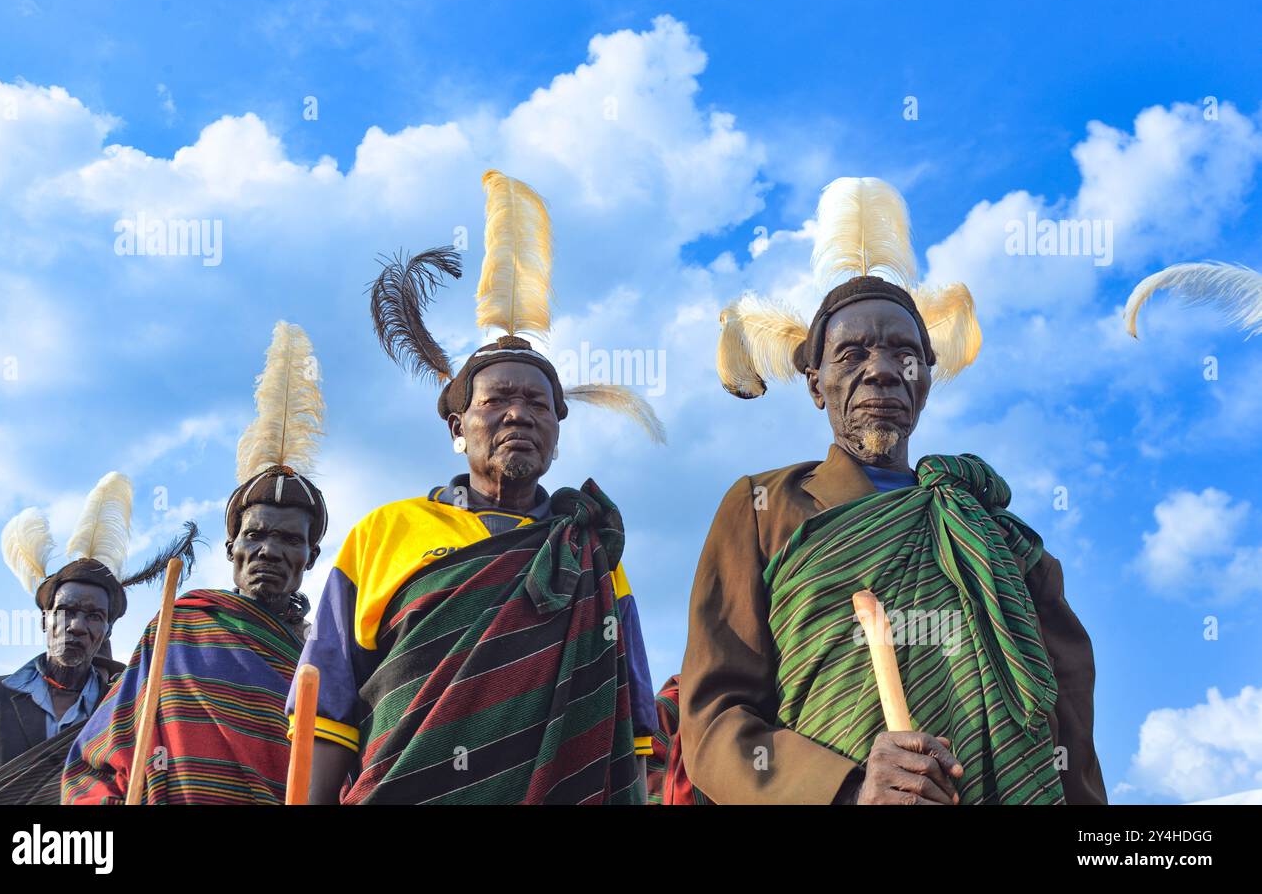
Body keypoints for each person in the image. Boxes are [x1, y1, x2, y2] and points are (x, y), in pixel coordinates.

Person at [676, 176, 1106, 805]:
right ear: (816, 384)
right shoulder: (762, 508)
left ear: (926, 381)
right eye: (850, 354)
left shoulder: (995, 535)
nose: (881, 369)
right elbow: (715, 716)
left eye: (906, 354)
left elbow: (1069, 727)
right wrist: (847, 788)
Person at [295, 170, 663, 804]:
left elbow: (627, 734)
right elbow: (325, 712)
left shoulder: (591, 553)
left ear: (558, 426)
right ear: (456, 426)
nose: (518, 414)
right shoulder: (384, 534)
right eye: (497, 401)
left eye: (537, 404)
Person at [62, 322, 327, 804]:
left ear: (311, 556)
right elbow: (97, 759)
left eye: (289, 539)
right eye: (255, 535)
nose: (268, 550)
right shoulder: (181, 627)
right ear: (232, 549)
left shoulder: (322, 657)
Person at [0, 473, 196, 804]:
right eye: (66, 611)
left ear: (107, 632)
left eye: (94, 616)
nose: (76, 626)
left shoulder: (123, 711)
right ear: (46, 619)